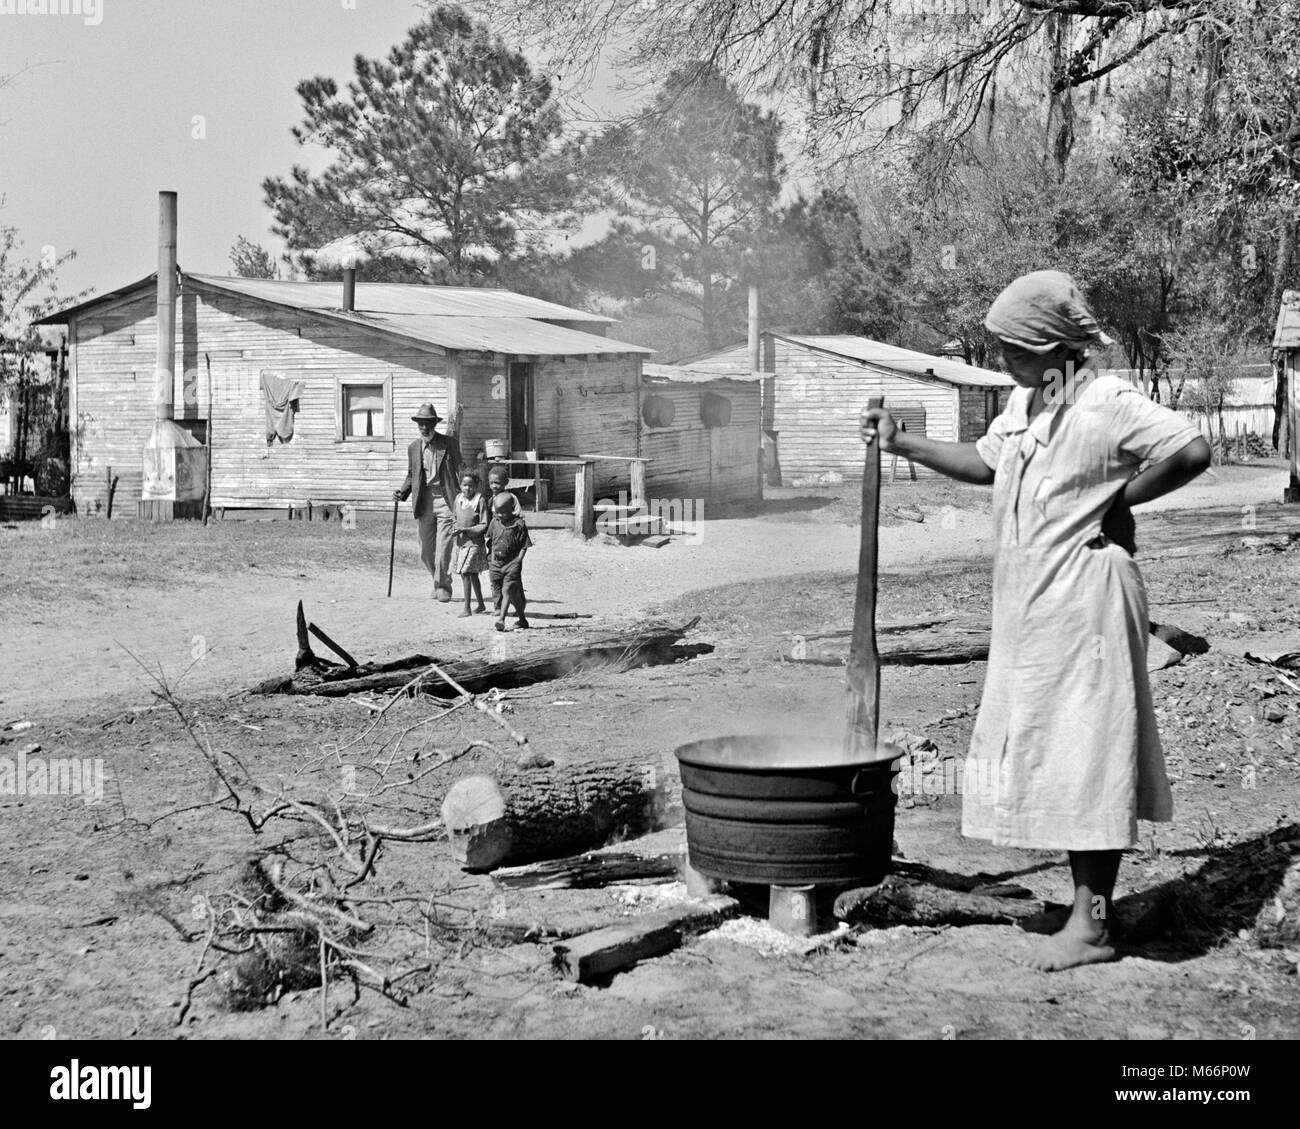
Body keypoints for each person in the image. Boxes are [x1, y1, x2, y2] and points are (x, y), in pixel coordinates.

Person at [860, 270, 1211, 971]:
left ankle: (1092, 926)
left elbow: (1193, 449)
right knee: (1055, 751)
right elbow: (986, 463)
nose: (1001, 364)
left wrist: (1122, 500)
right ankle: (1086, 908)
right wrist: (903, 444)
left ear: (1055, 346)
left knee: (1091, 757)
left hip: (1089, 599)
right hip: (1035, 606)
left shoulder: (1106, 401)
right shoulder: (1028, 404)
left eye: (1012, 350)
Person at [393, 404, 463, 602]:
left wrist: (467, 496)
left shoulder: (449, 443)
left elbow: (461, 468)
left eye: (428, 423)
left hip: (447, 500)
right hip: (425, 502)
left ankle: (443, 587)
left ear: (435, 424)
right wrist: (402, 492)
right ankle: (437, 580)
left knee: (443, 549)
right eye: (421, 424)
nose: (424, 428)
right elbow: (411, 475)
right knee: (425, 550)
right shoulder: (414, 448)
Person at [485, 491, 533, 632]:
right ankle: (522, 620)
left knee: (507, 590)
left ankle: (501, 620)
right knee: (511, 594)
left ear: (512, 509)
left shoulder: (519, 524)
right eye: (497, 512)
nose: (500, 515)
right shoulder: (495, 522)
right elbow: (491, 541)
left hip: (512, 564)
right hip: (497, 563)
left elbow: (525, 545)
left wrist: (518, 560)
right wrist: (492, 559)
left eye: (503, 512)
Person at [451, 471, 490, 617]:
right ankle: (481, 604)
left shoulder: (480, 500)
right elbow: (454, 518)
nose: (467, 489)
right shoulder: (458, 499)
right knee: (473, 574)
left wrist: (466, 529)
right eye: (464, 485)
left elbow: (484, 524)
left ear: (476, 486)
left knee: (466, 572)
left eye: (471, 486)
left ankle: (467, 608)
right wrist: (455, 528)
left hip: (474, 543)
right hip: (461, 543)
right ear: (460, 485)